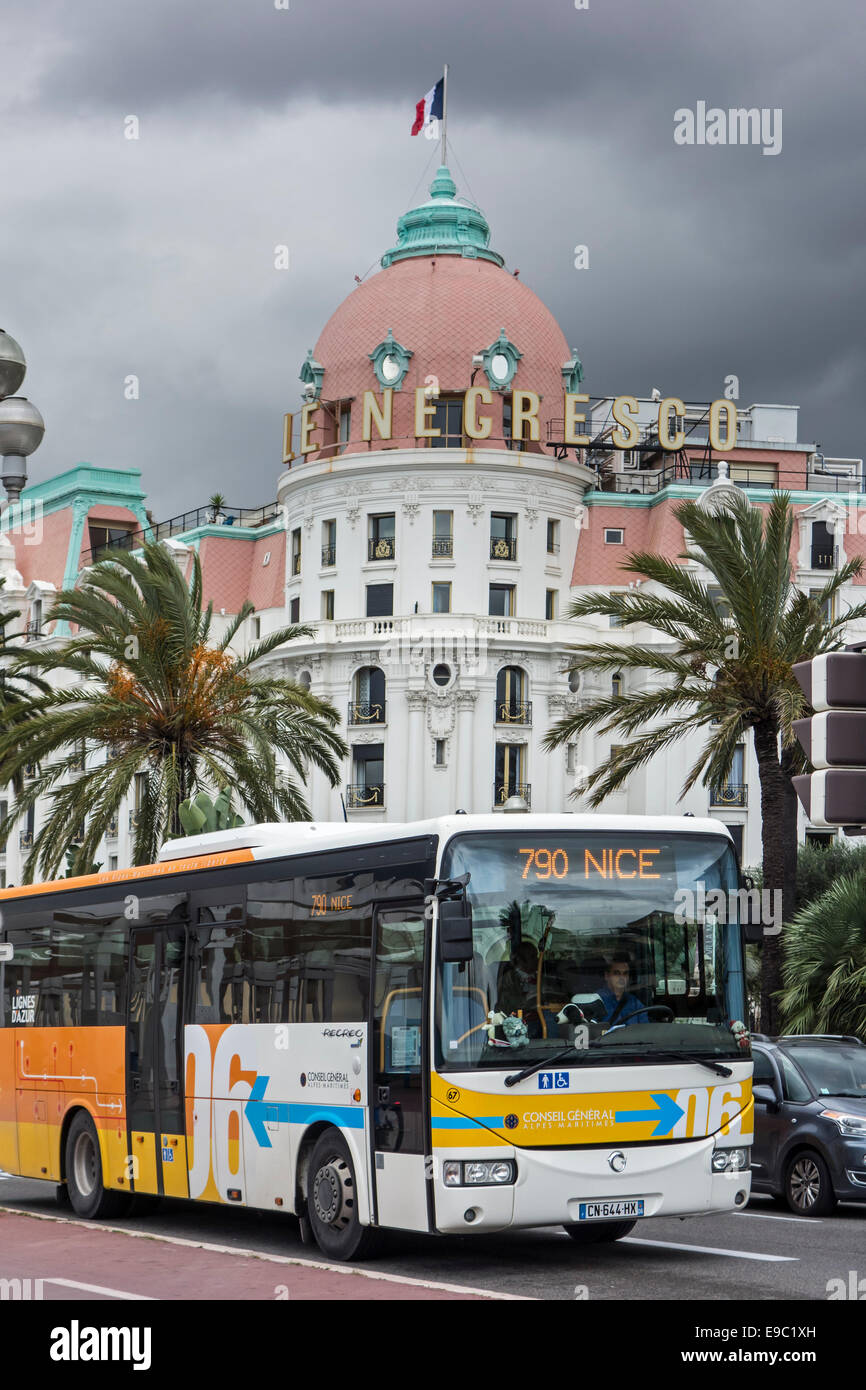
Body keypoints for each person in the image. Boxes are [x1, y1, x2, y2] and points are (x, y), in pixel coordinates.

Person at [597, 954, 645, 1027]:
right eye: (617, 973)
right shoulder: (596, 1000)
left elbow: (645, 1028)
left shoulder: (635, 1003)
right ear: (606, 976)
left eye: (625, 973)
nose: (622, 977)